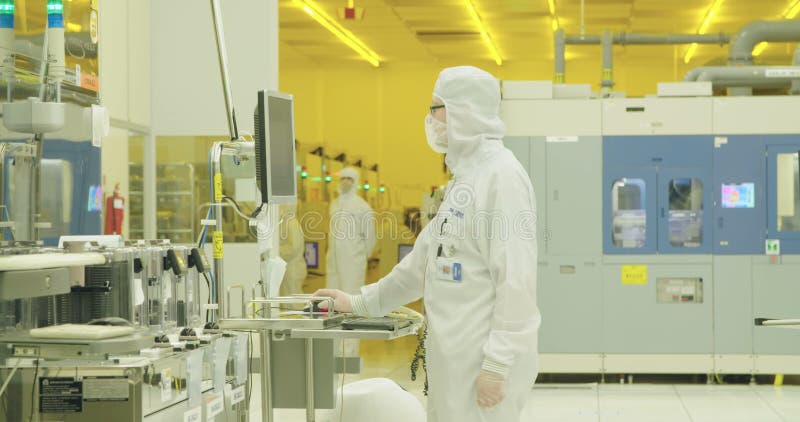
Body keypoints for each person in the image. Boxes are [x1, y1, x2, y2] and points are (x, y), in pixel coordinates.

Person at [315, 66, 540, 422]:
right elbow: (421, 266)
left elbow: (517, 283)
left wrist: (497, 365)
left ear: (463, 112)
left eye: (436, 109)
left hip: (482, 366)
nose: (431, 119)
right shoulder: (463, 182)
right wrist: (356, 302)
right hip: (454, 364)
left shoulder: (502, 178)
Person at [326, 167, 377, 355]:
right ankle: (334, 347)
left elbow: (370, 237)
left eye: (350, 178)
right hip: (333, 261)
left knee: (351, 304)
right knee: (331, 303)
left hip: (353, 263)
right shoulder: (333, 204)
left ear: (355, 182)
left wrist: (361, 256)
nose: (345, 181)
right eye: (343, 178)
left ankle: (349, 350)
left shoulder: (362, 206)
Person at [278, 204, 307, 297]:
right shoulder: (284, 222)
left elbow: (294, 248)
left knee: (294, 303)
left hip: (293, 269)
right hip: (288, 269)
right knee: (288, 301)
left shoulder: (292, 223)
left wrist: (277, 252)